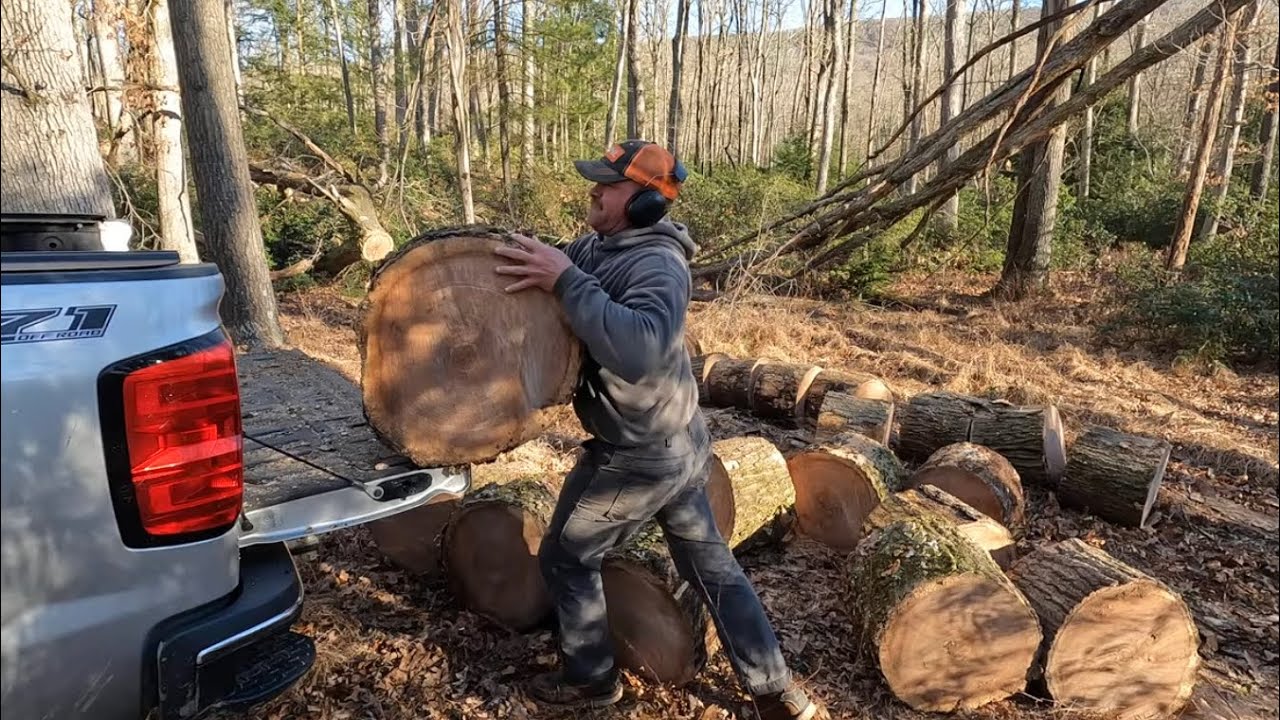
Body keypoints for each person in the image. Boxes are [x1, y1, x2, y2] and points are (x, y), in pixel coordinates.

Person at [493, 140, 823, 720]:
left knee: (567, 557)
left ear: (644, 202)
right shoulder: (600, 245)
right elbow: (564, 271)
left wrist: (568, 281)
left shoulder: (658, 264)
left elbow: (642, 349)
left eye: (607, 184)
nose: (593, 190)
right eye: (594, 180)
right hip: (675, 439)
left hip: (639, 452)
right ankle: (777, 690)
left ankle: (591, 680)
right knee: (710, 566)